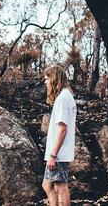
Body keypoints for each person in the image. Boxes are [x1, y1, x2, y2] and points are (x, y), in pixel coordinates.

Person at [41, 65, 77, 206]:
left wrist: (53, 155)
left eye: (47, 79)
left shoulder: (62, 99)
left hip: (58, 154)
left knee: (60, 187)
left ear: (54, 79)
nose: (45, 82)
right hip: (58, 153)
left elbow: (63, 129)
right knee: (47, 185)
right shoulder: (66, 96)